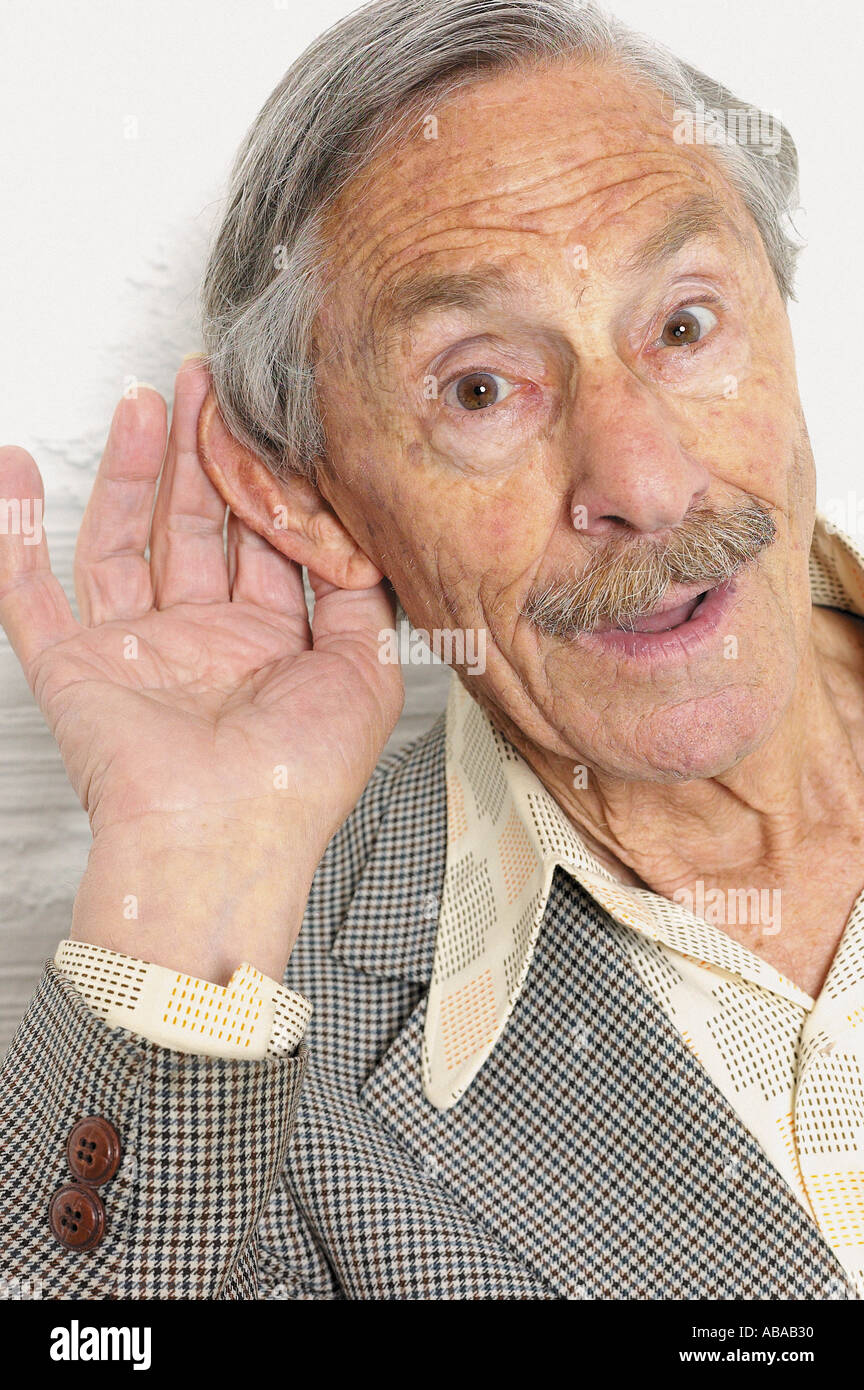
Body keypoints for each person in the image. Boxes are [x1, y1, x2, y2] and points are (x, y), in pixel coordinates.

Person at [1, 0, 862, 1299]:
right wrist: (188, 886)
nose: (643, 478)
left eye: (684, 326)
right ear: (305, 498)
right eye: (478, 388)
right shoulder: (244, 1047)